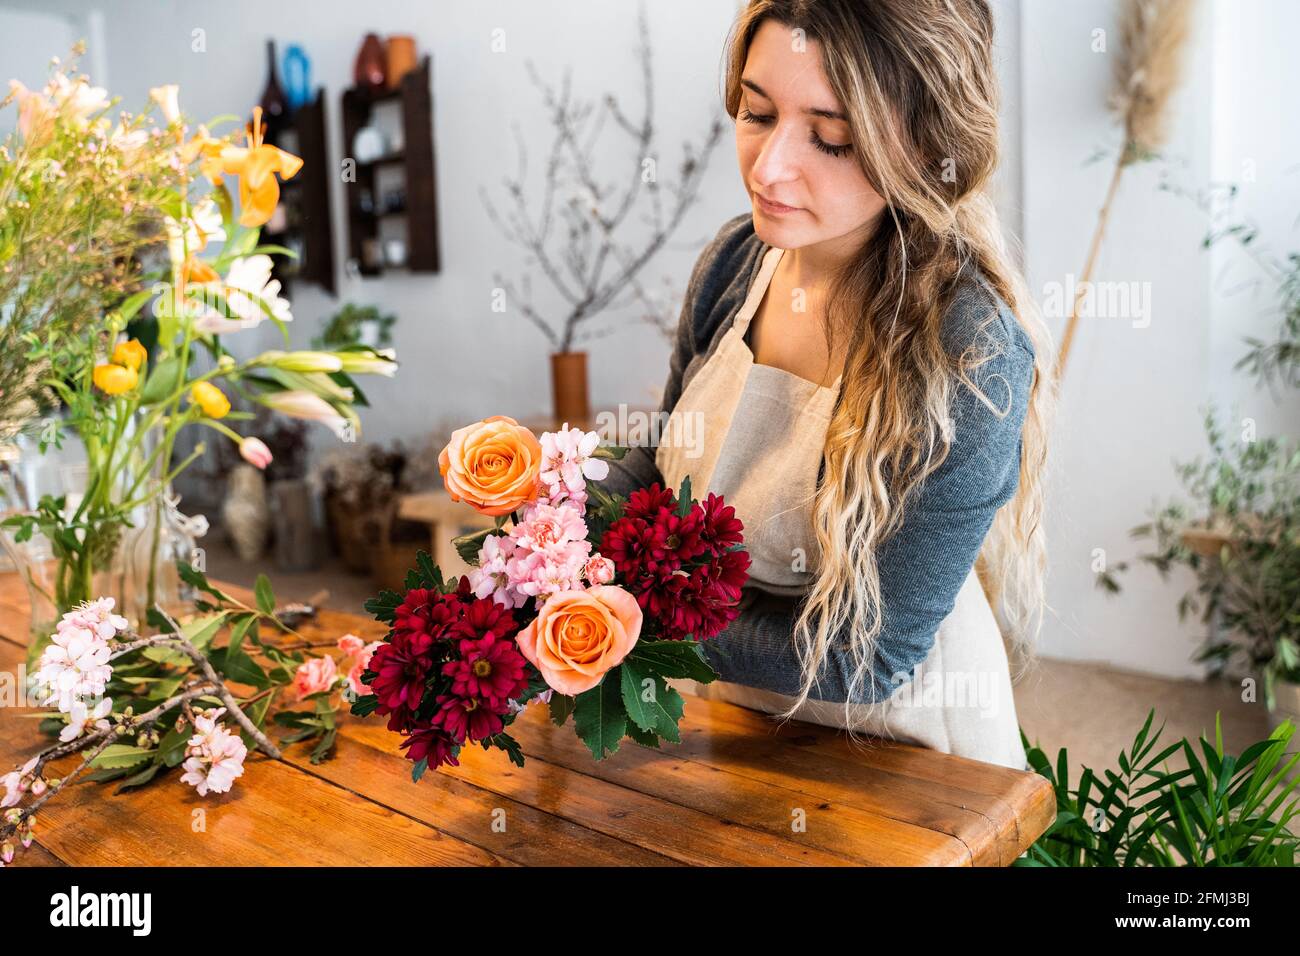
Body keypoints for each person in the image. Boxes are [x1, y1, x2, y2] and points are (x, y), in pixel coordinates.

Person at [602, 0, 1055, 770]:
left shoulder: (970, 353)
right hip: (742, 723)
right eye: (756, 110)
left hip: (903, 750)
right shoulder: (736, 262)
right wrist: (556, 521)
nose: (769, 166)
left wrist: (634, 620)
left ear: (921, 142)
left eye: (831, 137)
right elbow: (663, 459)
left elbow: (862, 659)